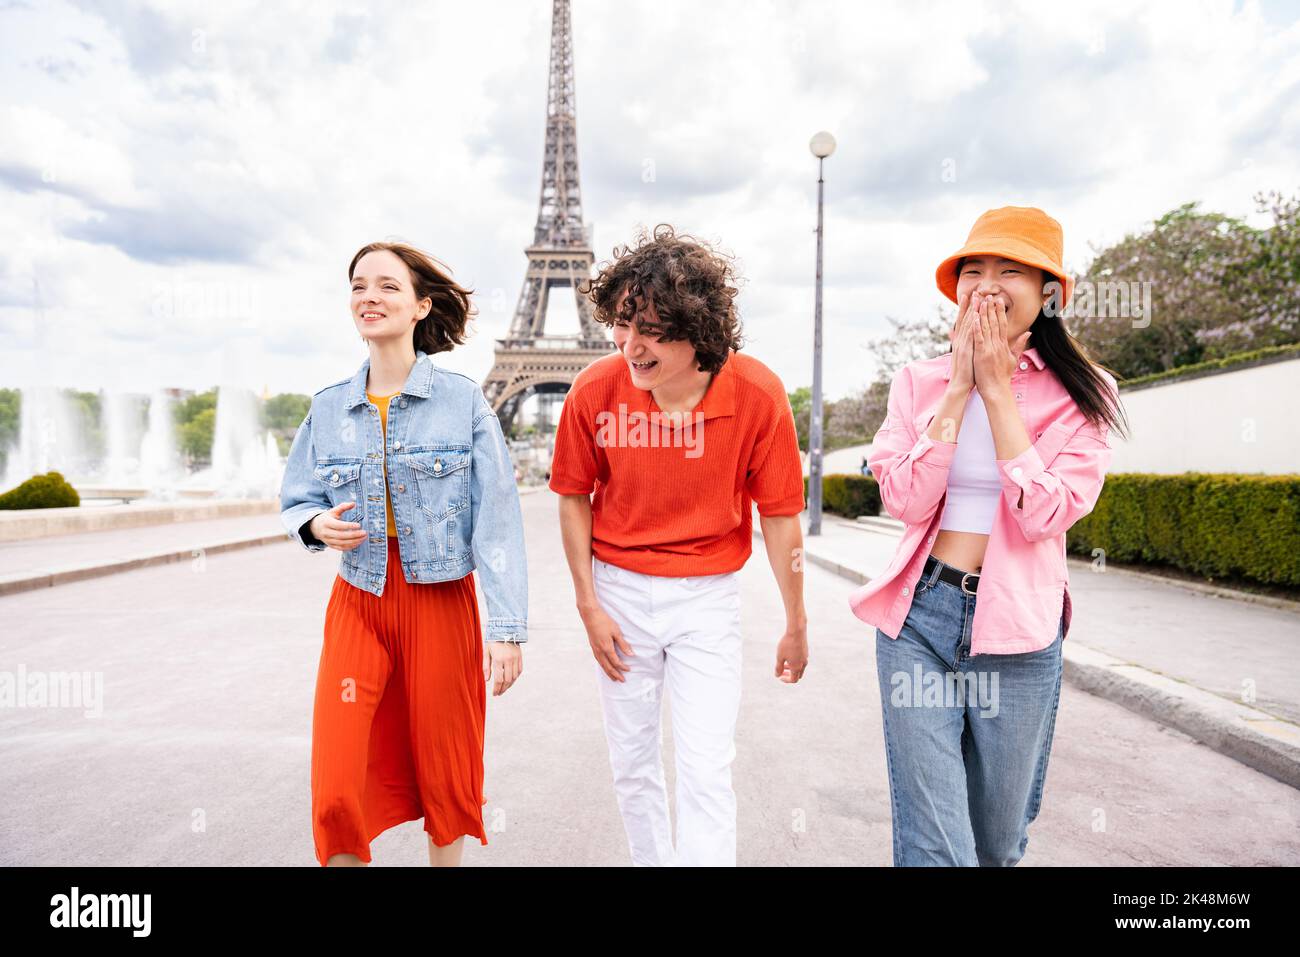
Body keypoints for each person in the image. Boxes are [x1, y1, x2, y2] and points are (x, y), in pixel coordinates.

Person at [849, 207, 1128, 866]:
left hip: (1019, 630)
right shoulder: (918, 382)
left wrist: (999, 394)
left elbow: (1046, 514)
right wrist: (957, 391)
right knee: (935, 842)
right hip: (920, 618)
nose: (986, 282)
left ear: (1049, 293)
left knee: (996, 843)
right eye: (973, 268)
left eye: (1010, 269)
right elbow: (904, 498)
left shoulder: (1084, 395)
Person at [549, 224, 809, 867]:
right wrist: (588, 605)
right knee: (632, 766)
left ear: (701, 331)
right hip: (620, 591)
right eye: (621, 324)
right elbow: (573, 496)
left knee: (705, 768)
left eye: (652, 331)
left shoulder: (756, 392)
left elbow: (779, 517)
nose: (630, 347)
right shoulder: (594, 389)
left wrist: (796, 621)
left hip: (707, 598)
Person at [279, 241, 528, 867]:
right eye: (359, 285)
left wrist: (506, 629)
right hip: (358, 601)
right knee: (336, 783)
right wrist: (313, 524)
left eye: (388, 286)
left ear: (421, 305)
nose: (370, 296)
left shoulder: (465, 401)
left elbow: (497, 522)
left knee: (445, 774)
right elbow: (297, 498)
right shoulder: (328, 406)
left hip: (441, 601)